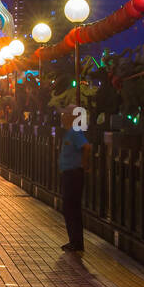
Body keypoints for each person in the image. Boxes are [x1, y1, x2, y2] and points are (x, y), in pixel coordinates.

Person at [57, 105, 91, 252]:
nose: (62, 117)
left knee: (71, 208)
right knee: (70, 208)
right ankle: (74, 241)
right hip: (69, 174)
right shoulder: (69, 132)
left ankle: (76, 243)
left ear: (71, 116)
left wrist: (84, 164)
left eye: (65, 115)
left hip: (73, 175)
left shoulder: (75, 131)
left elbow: (86, 147)